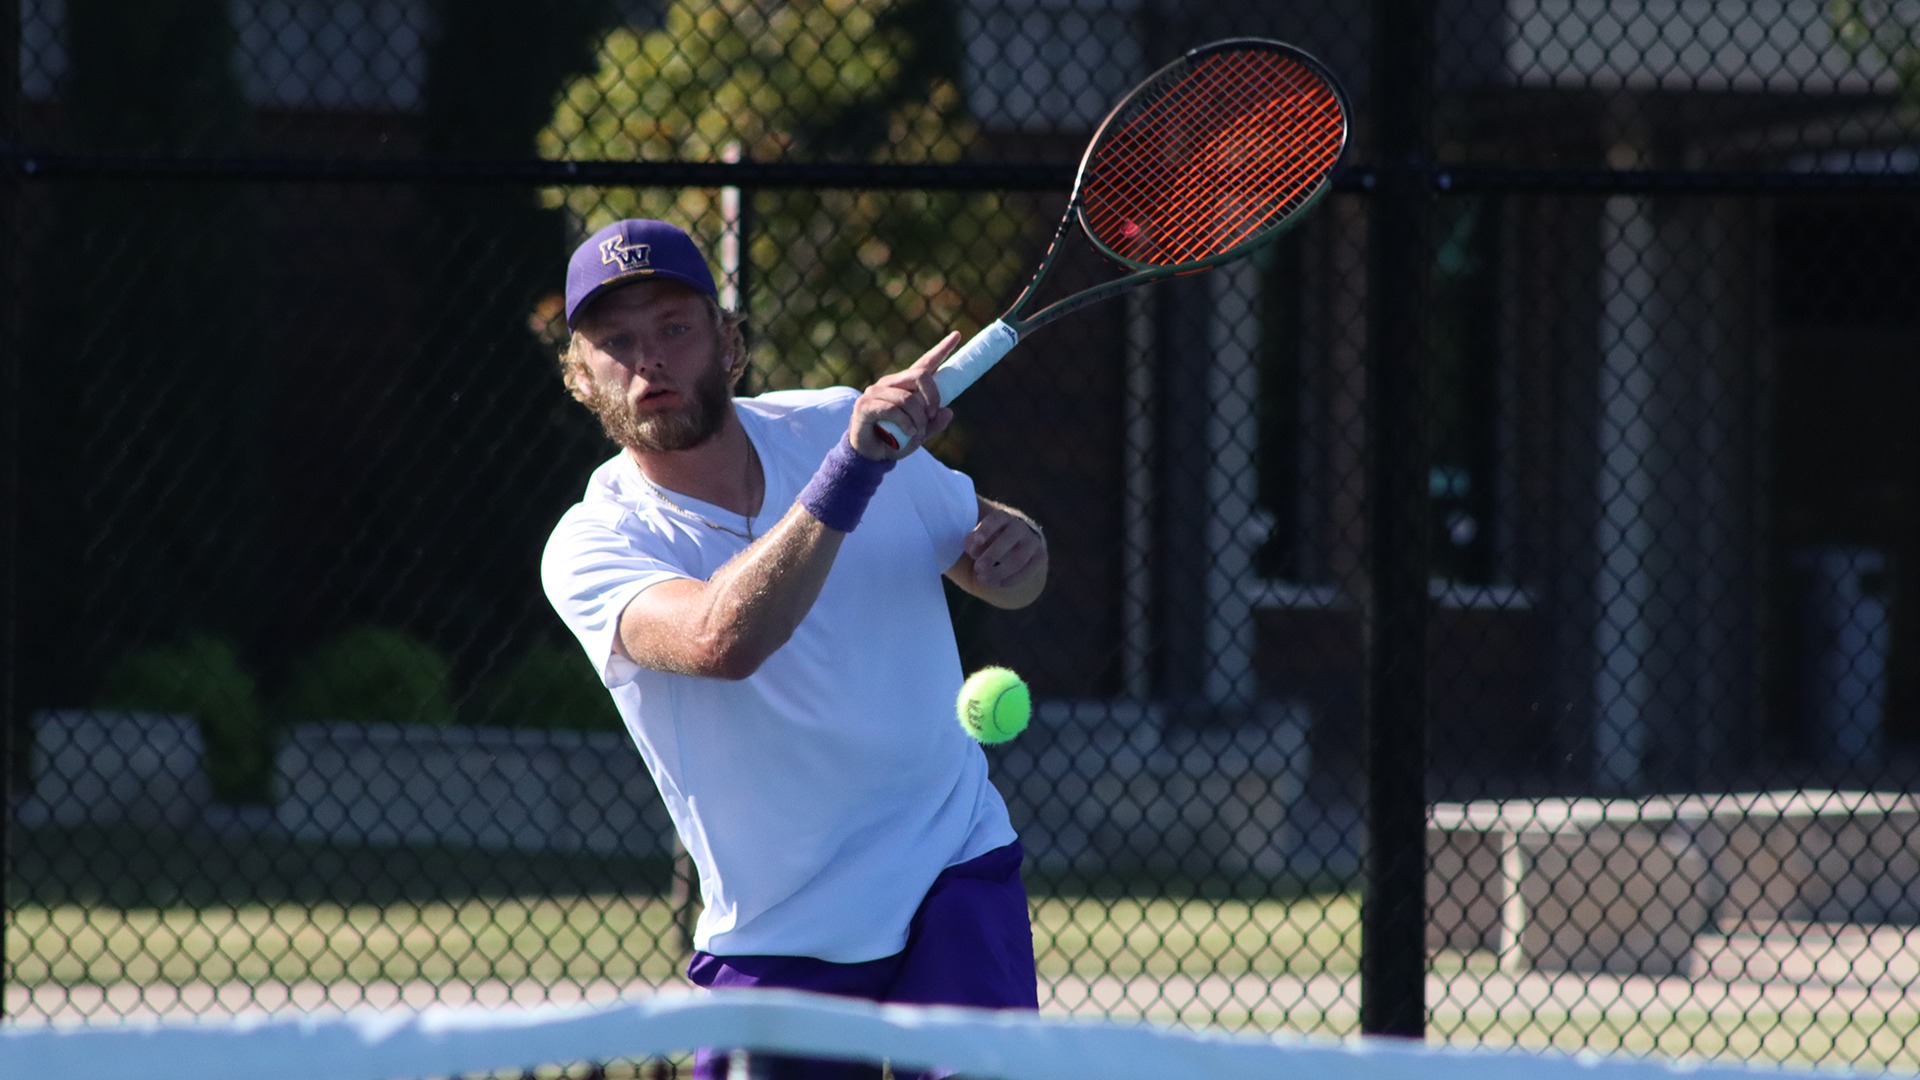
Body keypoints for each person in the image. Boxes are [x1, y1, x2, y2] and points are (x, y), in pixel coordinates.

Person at [540, 219, 1049, 1079]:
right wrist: (854, 466)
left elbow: (998, 566)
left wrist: (1020, 553)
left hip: (951, 868)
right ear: (581, 376)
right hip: (782, 931)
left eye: (674, 328)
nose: (648, 360)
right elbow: (720, 639)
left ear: (728, 343)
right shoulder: (592, 543)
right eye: (615, 342)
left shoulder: (831, 423)